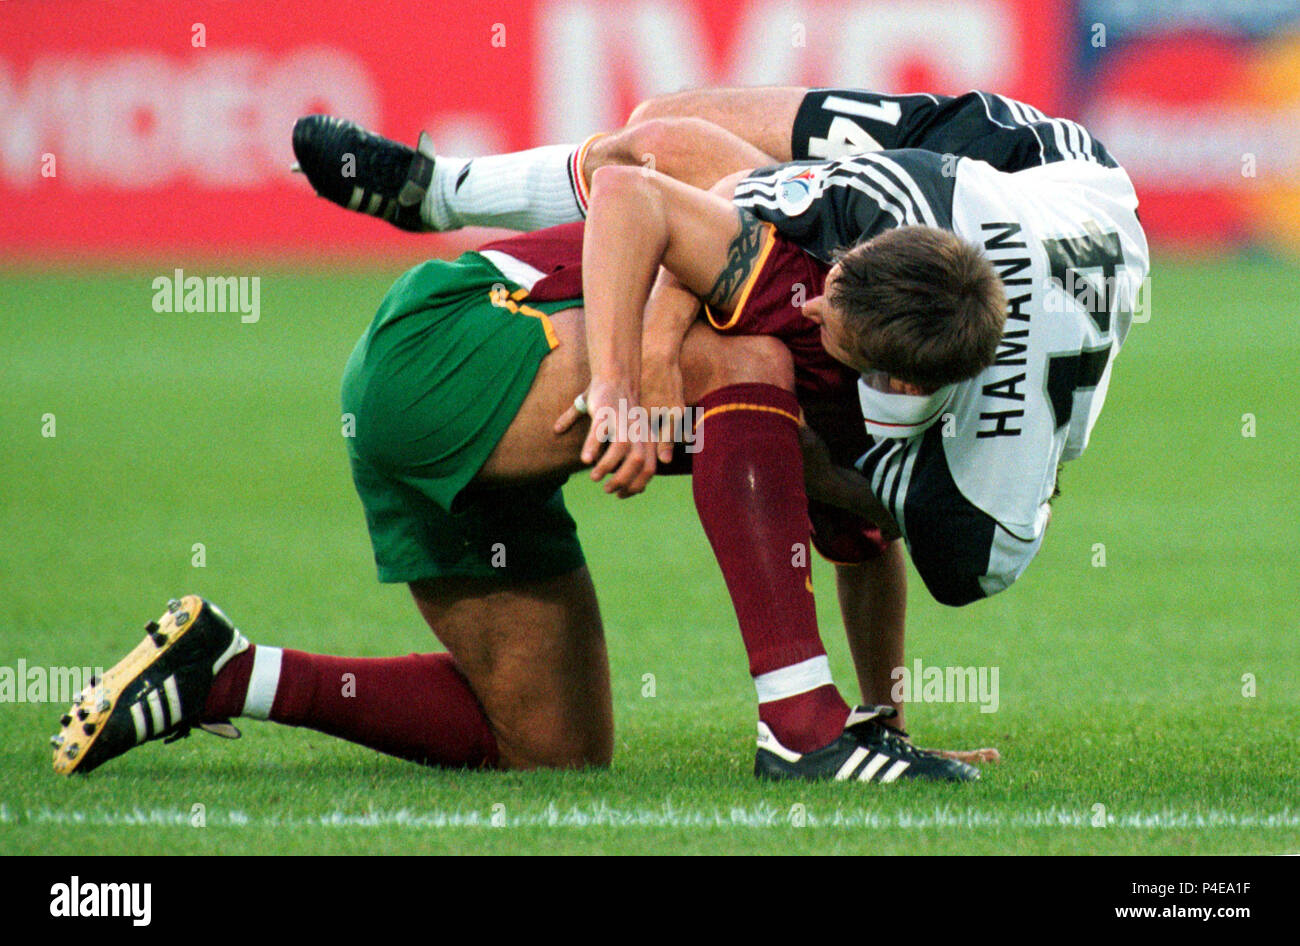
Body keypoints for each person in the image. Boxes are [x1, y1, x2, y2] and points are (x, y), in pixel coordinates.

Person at [51, 221, 982, 781]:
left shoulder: (870, 387)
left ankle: (225, 672)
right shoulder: (798, 251)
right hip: (451, 346)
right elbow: (631, 179)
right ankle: (796, 729)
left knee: (552, 752)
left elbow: (861, 537)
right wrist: (631, 375)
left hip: (482, 442)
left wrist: (885, 727)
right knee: (748, 360)